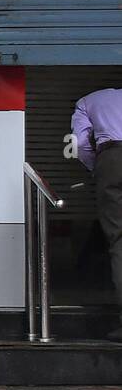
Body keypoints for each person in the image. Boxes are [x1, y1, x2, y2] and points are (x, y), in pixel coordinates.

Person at [72, 87, 122, 341]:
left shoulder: (88, 100)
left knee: (119, 241)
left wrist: (97, 169)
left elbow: (80, 144)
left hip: (111, 160)